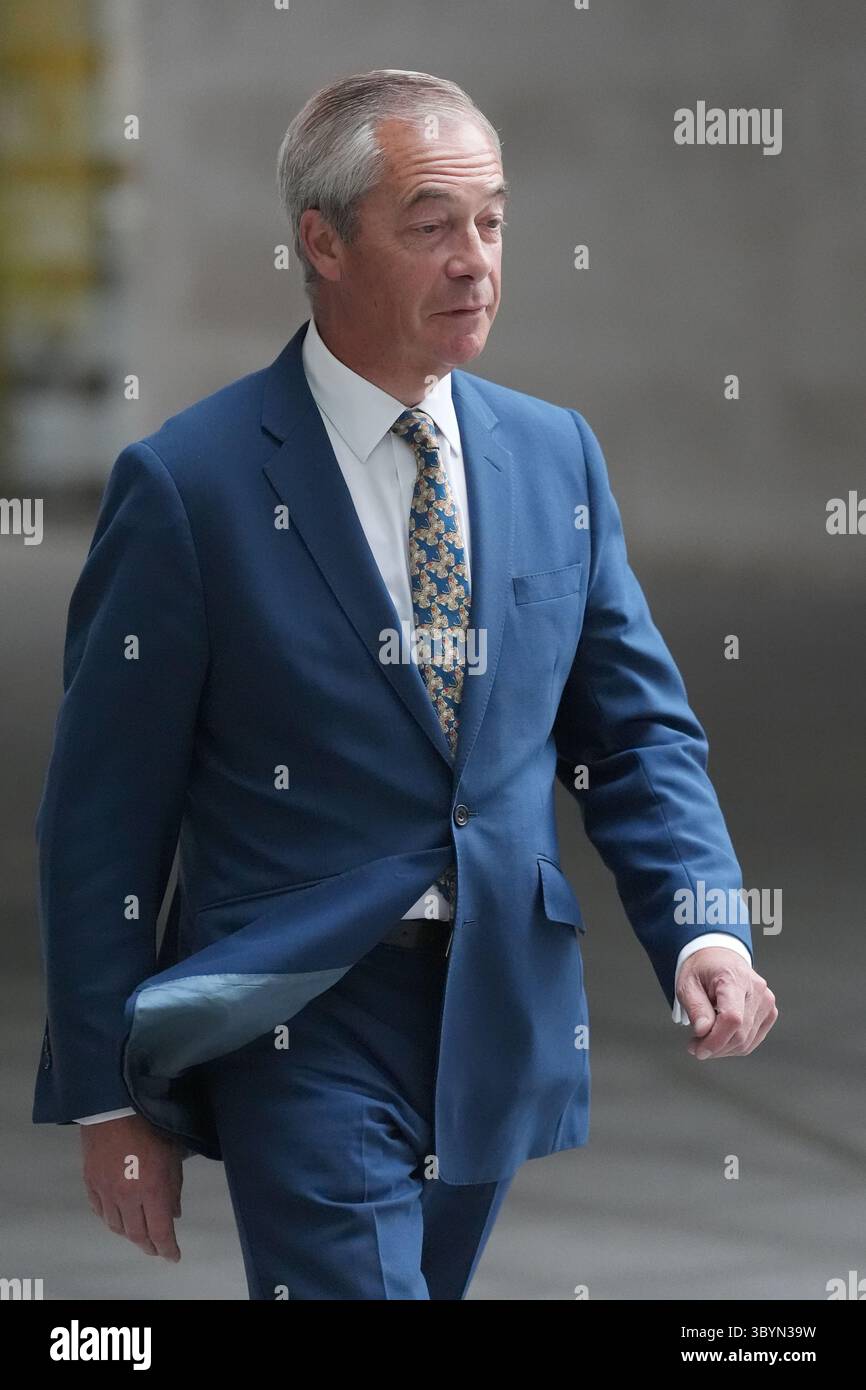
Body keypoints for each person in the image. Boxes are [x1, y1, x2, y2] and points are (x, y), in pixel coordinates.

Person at [32, 69, 777, 1300]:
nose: (473, 260)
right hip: (296, 1015)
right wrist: (108, 1098)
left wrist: (701, 921)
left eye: (490, 223)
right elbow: (101, 818)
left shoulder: (552, 458)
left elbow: (635, 736)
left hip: (495, 1006)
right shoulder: (190, 487)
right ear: (320, 243)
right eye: (430, 225)